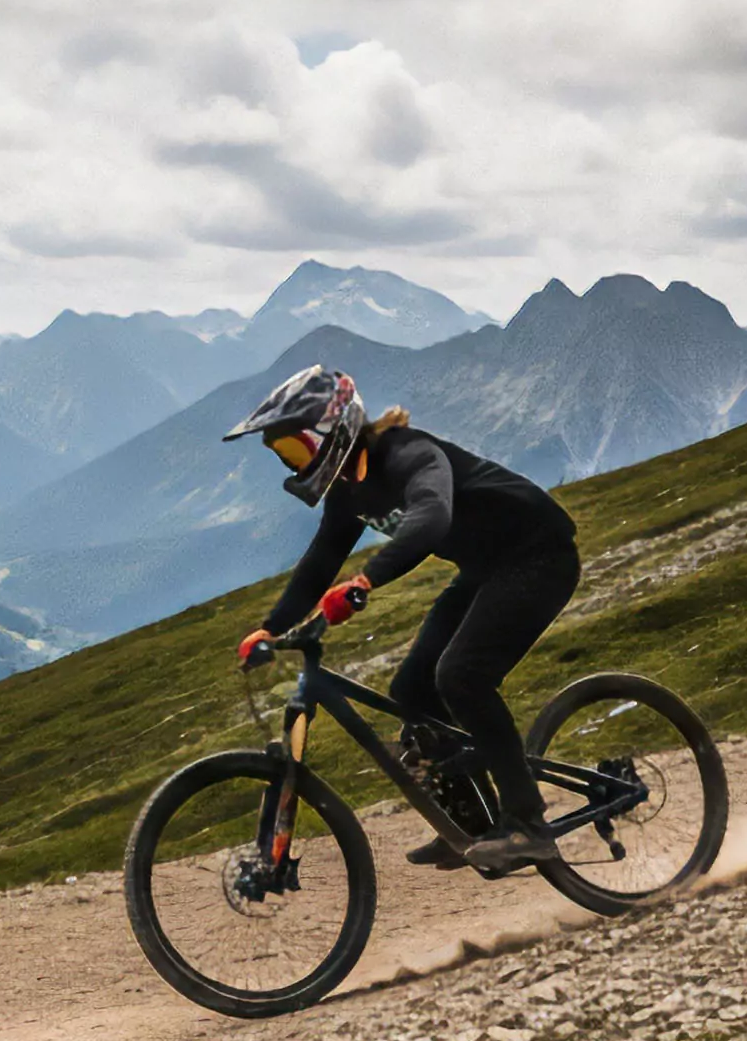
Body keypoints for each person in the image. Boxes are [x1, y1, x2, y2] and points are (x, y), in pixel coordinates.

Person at [224, 365, 582, 877]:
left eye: (297, 449)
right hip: (485, 569)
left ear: (334, 429)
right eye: (286, 456)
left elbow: (431, 515)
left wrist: (365, 581)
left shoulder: (409, 453)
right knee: (412, 687)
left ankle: (528, 825)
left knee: (462, 676)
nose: (295, 464)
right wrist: (270, 627)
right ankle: (471, 827)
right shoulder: (348, 491)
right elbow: (320, 562)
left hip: (540, 557)